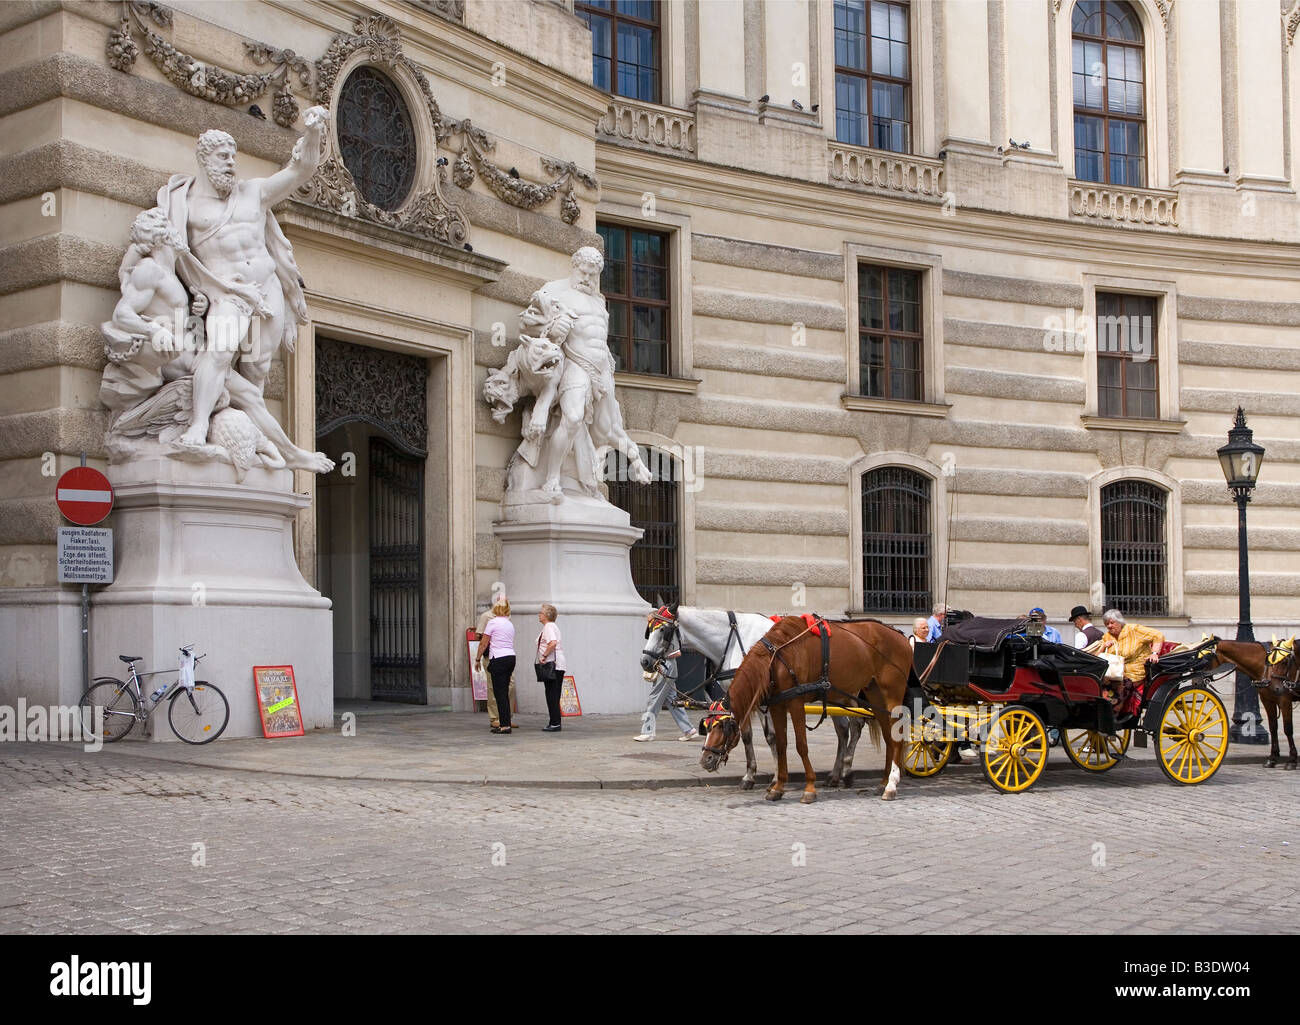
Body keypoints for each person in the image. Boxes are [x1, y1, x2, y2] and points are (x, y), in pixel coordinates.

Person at [1088, 609, 1164, 709]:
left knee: (1115, 691)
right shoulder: (1107, 637)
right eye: (1106, 624)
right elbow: (1099, 658)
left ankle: (1113, 714)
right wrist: (1103, 646)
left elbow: (1158, 635)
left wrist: (1154, 653)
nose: (1109, 626)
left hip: (1134, 673)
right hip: (1113, 674)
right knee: (1096, 687)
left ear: (1120, 621)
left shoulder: (1134, 630)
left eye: (1112, 623)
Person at [633, 657, 698, 742]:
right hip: (666, 665)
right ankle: (689, 730)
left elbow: (676, 652)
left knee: (654, 699)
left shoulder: (672, 644)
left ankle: (647, 732)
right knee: (672, 701)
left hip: (665, 665)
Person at [477, 597, 516, 734]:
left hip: (498, 658)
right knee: (504, 692)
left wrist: (477, 659)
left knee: (499, 693)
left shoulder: (493, 622)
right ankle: (506, 722)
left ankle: (504, 725)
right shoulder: (509, 623)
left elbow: (483, 642)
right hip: (511, 658)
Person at [536, 604, 566, 732]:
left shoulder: (548, 626)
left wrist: (544, 656)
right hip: (558, 664)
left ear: (547, 615)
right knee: (553, 693)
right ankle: (554, 721)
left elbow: (552, 643)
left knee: (552, 694)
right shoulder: (552, 626)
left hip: (552, 664)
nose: (539, 614)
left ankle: (554, 722)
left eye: (541, 613)